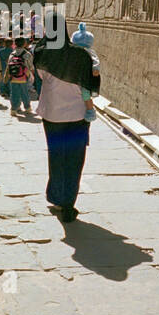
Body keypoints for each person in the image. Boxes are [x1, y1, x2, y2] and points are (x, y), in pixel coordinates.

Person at [32, 20, 101, 222]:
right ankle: (68, 202)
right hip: (78, 115)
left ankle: (57, 197)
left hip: (52, 114)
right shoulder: (80, 55)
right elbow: (91, 81)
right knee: (74, 158)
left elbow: (40, 79)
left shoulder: (42, 54)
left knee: (57, 157)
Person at [3, 36, 33, 115]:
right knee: (24, 92)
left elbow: (8, 65)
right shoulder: (27, 54)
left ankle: (14, 109)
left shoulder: (12, 54)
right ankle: (27, 108)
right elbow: (30, 66)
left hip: (13, 77)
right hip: (23, 76)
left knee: (14, 93)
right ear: (24, 44)